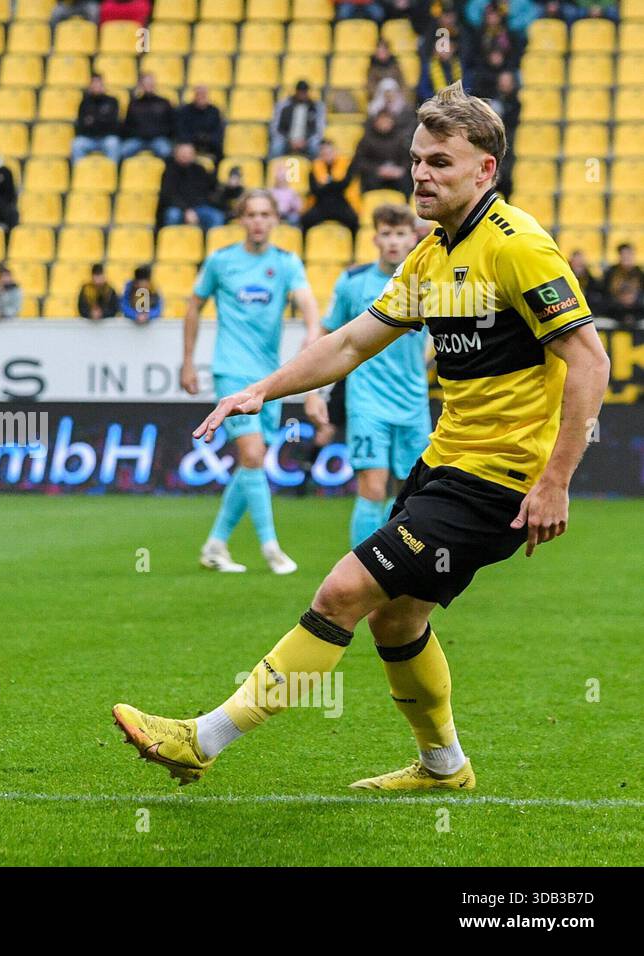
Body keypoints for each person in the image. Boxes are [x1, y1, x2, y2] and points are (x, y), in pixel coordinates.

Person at [115, 82, 609, 794]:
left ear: (485, 171)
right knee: (397, 620)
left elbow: (590, 360)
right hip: (444, 464)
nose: (420, 174)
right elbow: (348, 344)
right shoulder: (432, 255)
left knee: (343, 591)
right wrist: (263, 388)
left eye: (440, 161)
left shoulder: (519, 247)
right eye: (415, 160)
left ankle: (203, 738)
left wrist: (556, 479)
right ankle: (445, 768)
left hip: (497, 482)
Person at [181, 189, 321, 575]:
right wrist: (188, 362)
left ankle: (215, 545)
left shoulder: (286, 262)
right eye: (251, 214)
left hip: (271, 379)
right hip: (231, 371)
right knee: (255, 456)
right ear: (241, 220)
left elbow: (307, 301)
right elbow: (193, 306)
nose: (258, 221)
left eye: (265, 214)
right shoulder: (221, 262)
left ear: (276, 219)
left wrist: (313, 330)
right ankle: (271, 548)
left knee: (250, 463)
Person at [313, 204, 430, 549]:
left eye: (400, 234)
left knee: (410, 494)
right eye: (387, 234)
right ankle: (362, 576)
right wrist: (313, 394)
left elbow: (444, 332)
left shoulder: (426, 281)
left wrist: (427, 358)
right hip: (367, 403)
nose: (393, 242)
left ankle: (391, 570)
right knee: (372, 487)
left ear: (413, 237)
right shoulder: (353, 282)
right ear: (375, 238)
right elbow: (328, 336)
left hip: (412, 402)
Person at [158, 141, 223, 231]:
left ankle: (214, 243)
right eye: (183, 153)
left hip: (198, 207)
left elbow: (212, 189)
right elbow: (168, 196)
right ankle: (171, 243)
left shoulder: (200, 170)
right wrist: (186, 210)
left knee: (217, 216)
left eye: (189, 153)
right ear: (176, 154)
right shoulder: (169, 171)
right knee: (172, 215)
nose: (186, 156)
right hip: (177, 207)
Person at [301, 139, 359, 237]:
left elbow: (345, 184)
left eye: (329, 152)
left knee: (353, 220)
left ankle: (354, 248)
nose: (327, 155)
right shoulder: (314, 166)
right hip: (321, 204)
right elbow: (314, 190)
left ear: (335, 151)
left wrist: (326, 184)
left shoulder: (347, 164)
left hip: (341, 202)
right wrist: (334, 183)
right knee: (306, 220)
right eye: (323, 153)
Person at [120, 73, 174, 160]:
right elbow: (128, 124)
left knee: (166, 151)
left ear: (154, 85)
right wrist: (137, 133)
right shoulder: (134, 103)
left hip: (158, 139)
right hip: (137, 139)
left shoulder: (164, 102)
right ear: (141, 86)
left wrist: (159, 133)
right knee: (123, 151)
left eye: (150, 84)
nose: (148, 86)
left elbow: (171, 123)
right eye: (146, 84)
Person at [71, 74, 122, 164]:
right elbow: (81, 124)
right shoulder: (84, 103)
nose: (96, 86)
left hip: (106, 138)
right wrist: (102, 119)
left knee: (113, 143)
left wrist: (93, 120)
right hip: (89, 138)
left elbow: (113, 123)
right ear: (90, 86)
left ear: (103, 85)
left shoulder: (112, 101)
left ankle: (112, 173)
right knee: (77, 144)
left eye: (98, 84)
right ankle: (78, 173)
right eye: (94, 84)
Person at [270, 80, 325, 159]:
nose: (302, 94)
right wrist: (289, 140)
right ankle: (273, 169)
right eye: (300, 92)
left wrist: (305, 140)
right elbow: (275, 127)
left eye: (304, 92)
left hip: (307, 140)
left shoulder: (315, 107)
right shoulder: (284, 105)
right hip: (287, 139)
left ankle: (314, 170)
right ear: (296, 91)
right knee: (276, 147)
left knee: (315, 146)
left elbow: (319, 129)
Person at [173, 85, 224, 163]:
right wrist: (193, 140)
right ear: (194, 95)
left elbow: (218, 132)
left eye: (203, 95)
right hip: (190, 142)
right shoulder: (185, 111)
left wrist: (207, 139)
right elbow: (181, 131)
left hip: (209, 144)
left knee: (219, 152)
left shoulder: (214, 111)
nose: (201, 97)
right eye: (198, 94)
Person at [601, 243, 644, 326]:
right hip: (614, 312)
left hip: (637, 311)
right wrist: (620, 300)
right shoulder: (611, 272)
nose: (626, 257)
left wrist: (634, 300)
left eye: (629, 254)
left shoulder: (639, 273)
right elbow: (605, 294)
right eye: (624, 254)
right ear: (619, 256)